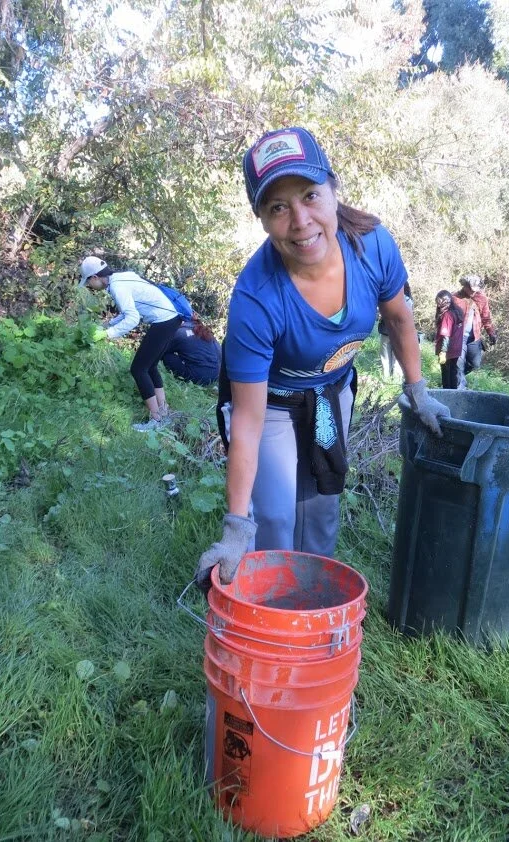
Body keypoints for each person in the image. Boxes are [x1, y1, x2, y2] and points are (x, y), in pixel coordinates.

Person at [195, 126, 450, 592]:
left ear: (333, 190)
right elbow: (247, 424)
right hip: (271, 404)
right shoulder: (256, 298)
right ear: (262, 219)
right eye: (278, 207)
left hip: (331, 396)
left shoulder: (371, 246)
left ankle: (310, 598)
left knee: (321, 501)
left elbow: (398, 319)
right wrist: (235, 528)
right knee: (272, 513)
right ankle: (268, 603)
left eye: (310, 195)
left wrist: (417, 391)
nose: (300, 220)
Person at [79, 256, 189, 431]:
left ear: (95, 277)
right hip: (172, 318)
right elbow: (129, 311)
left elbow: (132, 318)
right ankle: (164, 412)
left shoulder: (117, 287)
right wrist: (108, 324)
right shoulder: (122, 277)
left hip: (164, 321)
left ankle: (157, 420)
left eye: (88, 283)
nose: (90, 287)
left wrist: (106, 334)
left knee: (138, 369)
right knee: (150, 366)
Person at [454, 274, 497, 384]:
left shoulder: (481, 298)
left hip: (474, 337)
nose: (474, 292)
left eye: (476, 290)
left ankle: (457, 375)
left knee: (475, 364)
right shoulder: (455, 298)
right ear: (465, 286)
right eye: (471, 289)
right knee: (459, 364)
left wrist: (491, 332)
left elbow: (486, 317)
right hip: (459, 337)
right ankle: (460, 388)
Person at [161, 317, 221, 386]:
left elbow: (162, 349)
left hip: (200, 378)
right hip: (216, 376)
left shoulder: (181, 332)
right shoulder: (206, 332)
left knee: (166, 355)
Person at [378, 281, 413, 379]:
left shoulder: (388, 298)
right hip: (396, 333)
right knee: (396, 357)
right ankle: (394, 379)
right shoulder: (408, 301)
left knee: (388, 357)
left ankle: (387, 378)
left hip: (388, 331)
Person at [434, 290, 465, 390]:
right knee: (453, 373)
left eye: (438, 300)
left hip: (447, 350)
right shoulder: (458, 312)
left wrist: (443, 352)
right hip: (456, 349)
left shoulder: (447, 315)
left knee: (446, 375)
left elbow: (446, 335)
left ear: (444, 300)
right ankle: (454, 394)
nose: (437, 304)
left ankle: (446, 395)